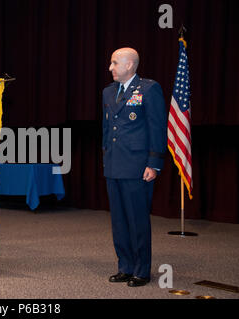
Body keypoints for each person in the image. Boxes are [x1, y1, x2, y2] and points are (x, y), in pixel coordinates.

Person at [102, 48, 167, 287]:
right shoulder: (108, 92)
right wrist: (105, 157)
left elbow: (157, 128)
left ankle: (141, 269)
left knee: (137, 220)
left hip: (137, 167)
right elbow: (107, 129)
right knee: (118, 221)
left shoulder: (149, 89)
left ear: (130, 65)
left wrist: (154, 163)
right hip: (114, 164)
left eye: (114, 63)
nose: (110, 67)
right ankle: (125, 266)